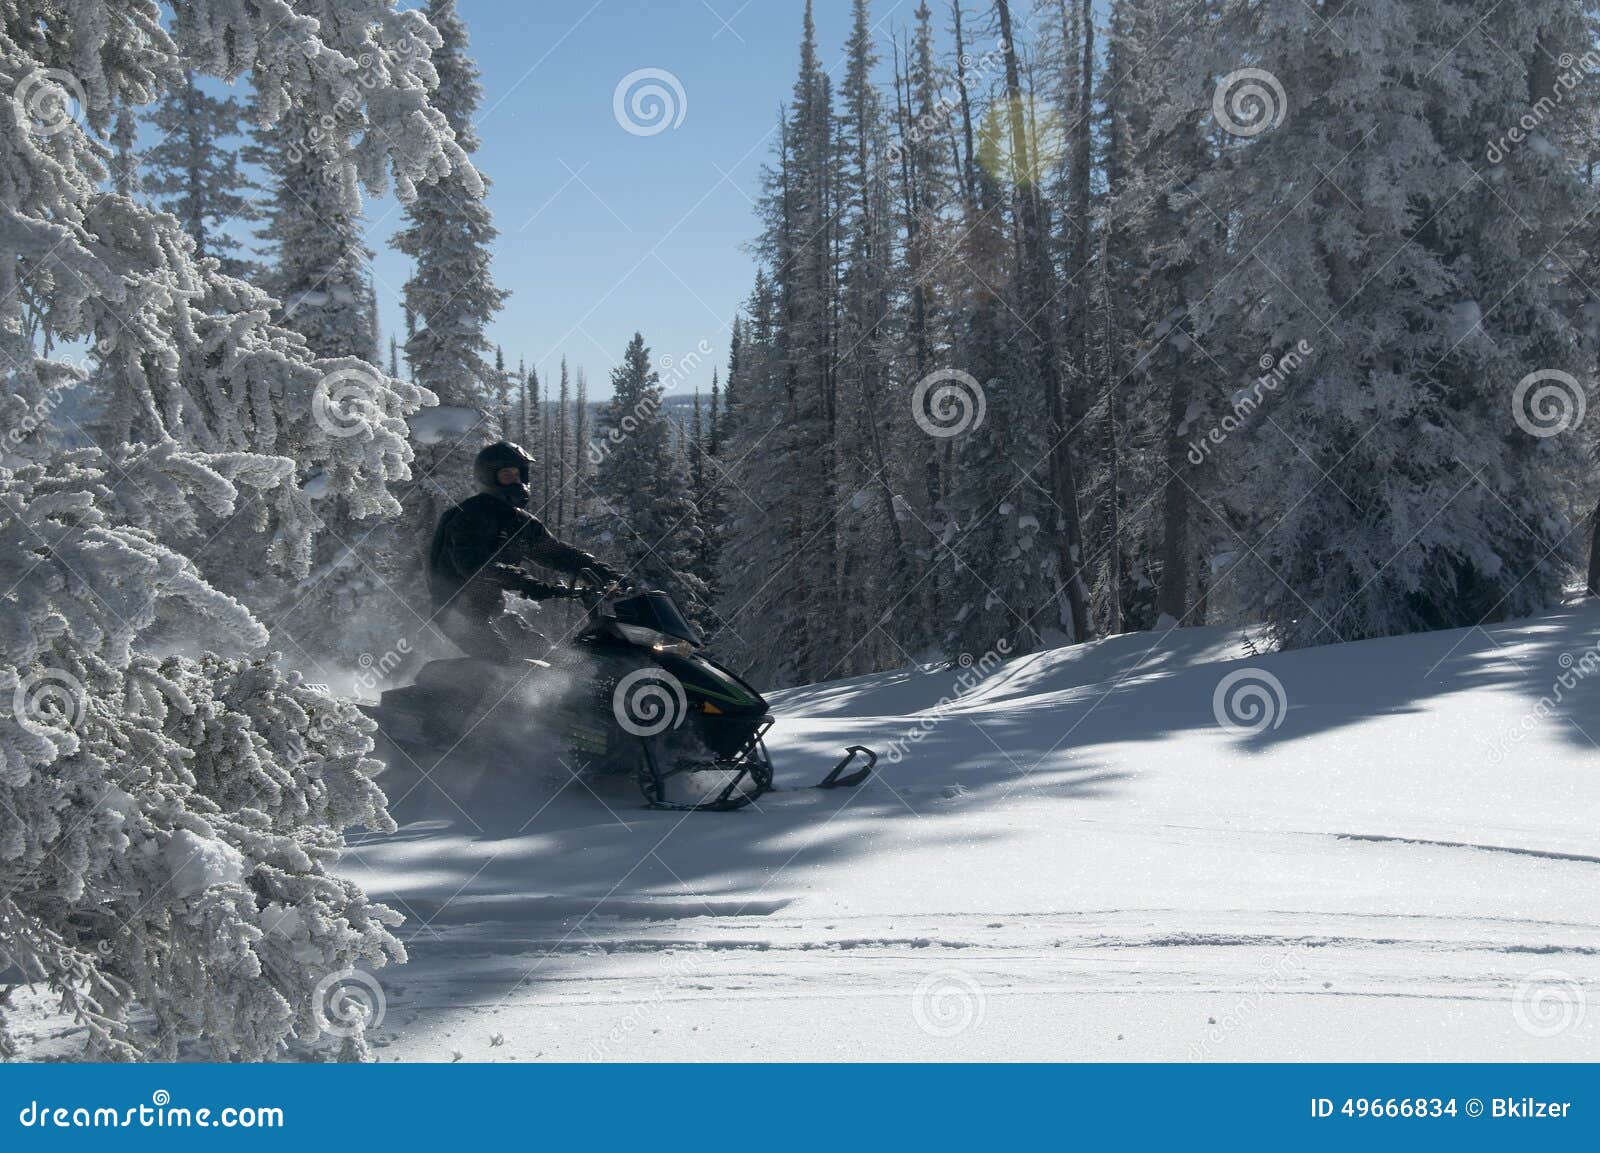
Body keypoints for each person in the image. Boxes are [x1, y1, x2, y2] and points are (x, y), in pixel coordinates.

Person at [428, 441, 622, 662]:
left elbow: (556, 553)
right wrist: (527, 583)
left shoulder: (519, 521)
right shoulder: (470, 515)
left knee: (546, 656)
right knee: (502, 663)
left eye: (519, 474)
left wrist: (608, 575)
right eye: (507, 475)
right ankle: (460, 694)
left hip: (492, 611)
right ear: (489, 477)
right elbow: (474, 566)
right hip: (457, 613)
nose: (516, 481)